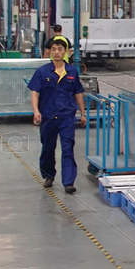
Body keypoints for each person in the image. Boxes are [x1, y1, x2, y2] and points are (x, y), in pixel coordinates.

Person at [27, 34, 86, 193]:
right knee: (48, 148)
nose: (56, 52)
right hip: (48, 116)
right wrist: (36, 111)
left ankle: (68, 182)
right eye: (53, 49)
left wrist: (83, 112)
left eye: (60, 49)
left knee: (68, 148)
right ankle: (48, 175)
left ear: (66, 52)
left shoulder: (72, 71)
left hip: (67, 116)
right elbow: (34, 92)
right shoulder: (42, 72)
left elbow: (78, 93)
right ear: (50, 52)